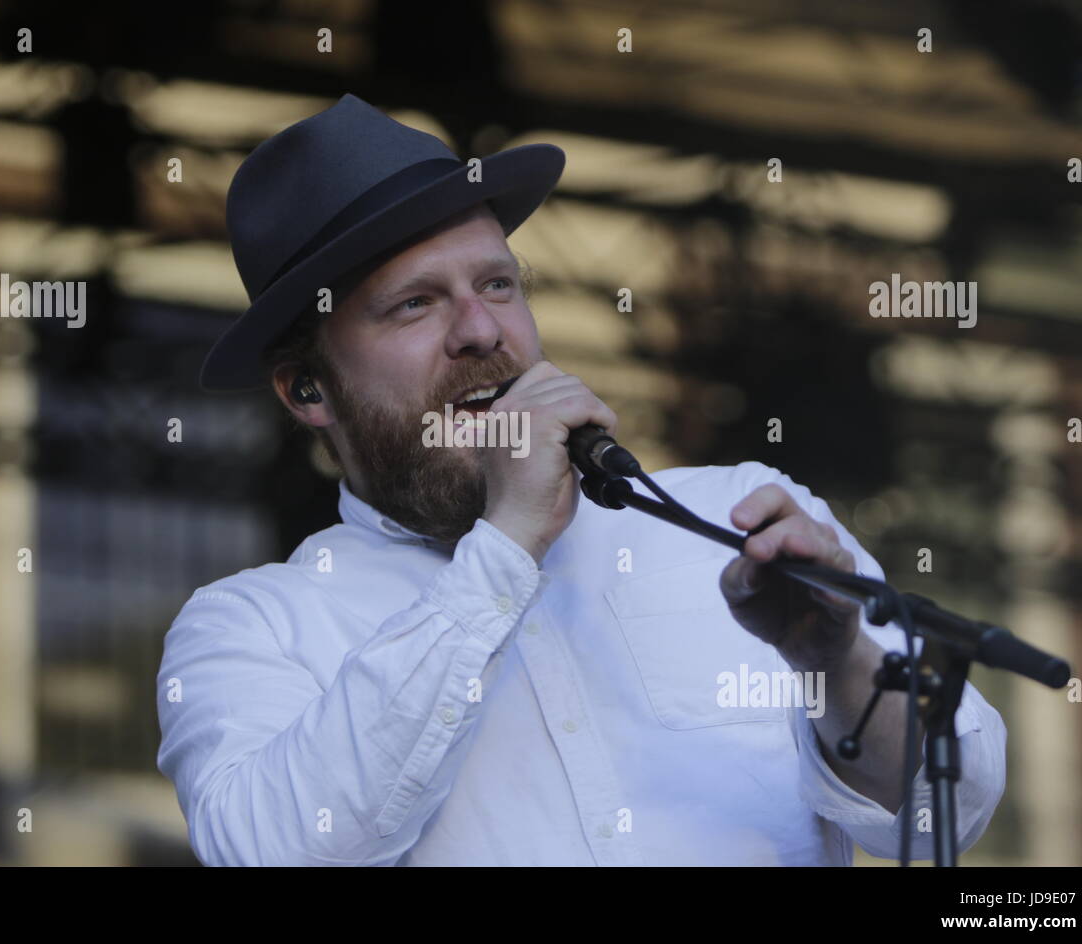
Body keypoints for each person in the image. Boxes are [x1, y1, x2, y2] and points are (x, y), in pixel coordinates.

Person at [156, 93, 1006, 865]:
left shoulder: (736, 511)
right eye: (415, 303)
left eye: (497, 284)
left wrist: (840, 661)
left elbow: (946, 814)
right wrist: (505, 545)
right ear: (308, 389)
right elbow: (272, 852)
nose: (481, 330)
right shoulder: (252, 628)